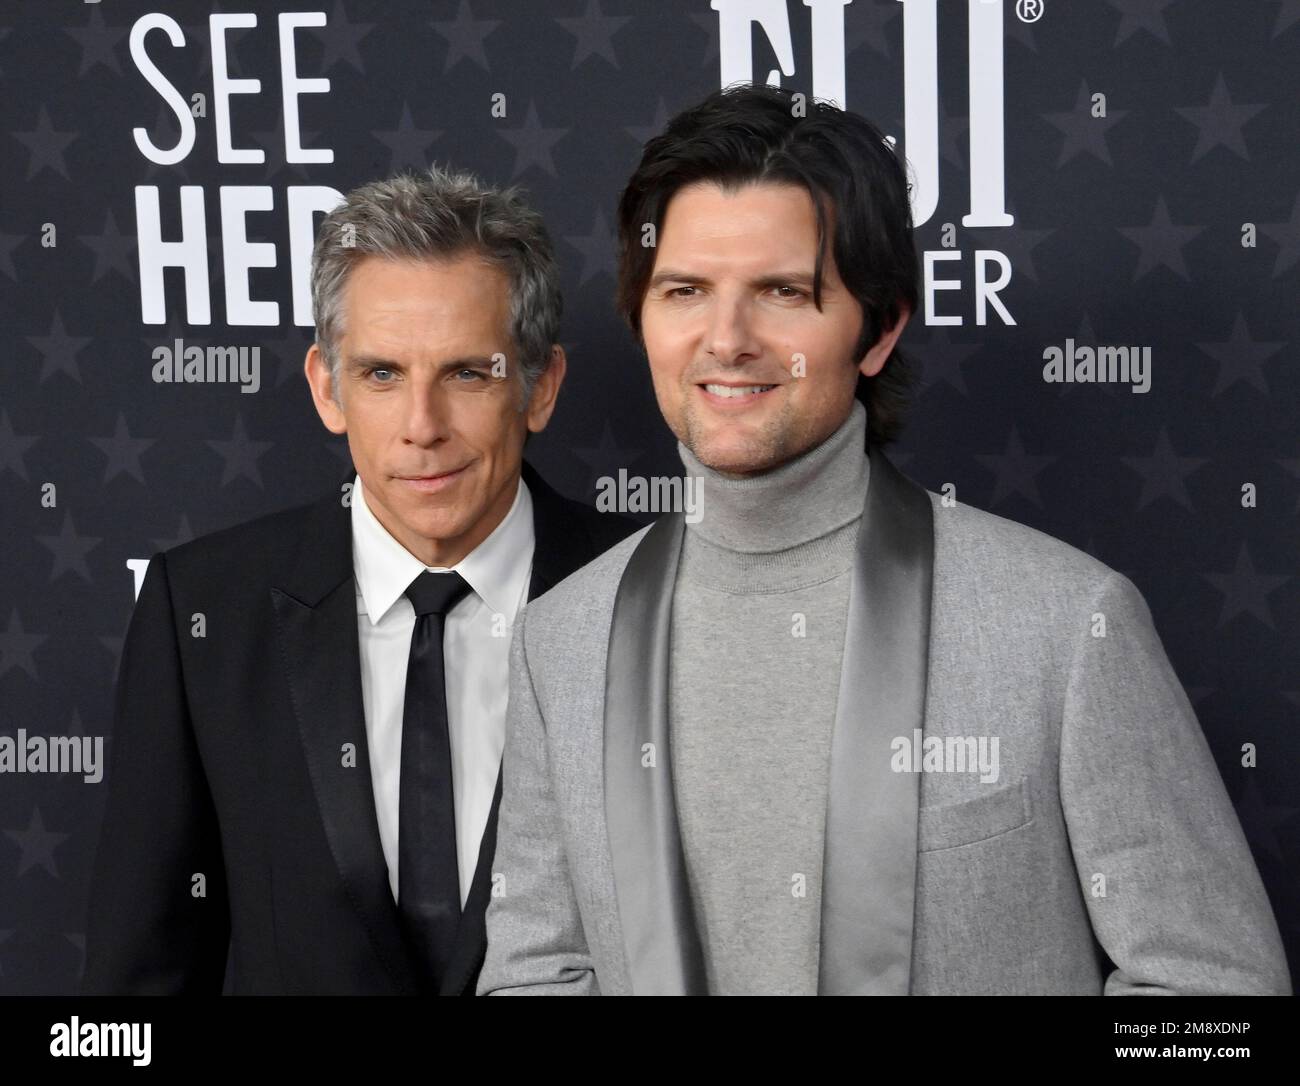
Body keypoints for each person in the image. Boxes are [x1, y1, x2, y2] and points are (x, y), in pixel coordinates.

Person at [477, 85, 1291, 995]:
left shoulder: (1069, 627)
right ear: (642, 317)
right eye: (686, 291)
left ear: (879, 328)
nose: (728, 338)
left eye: (783, 292)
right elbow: (534, 973)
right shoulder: (563, 641)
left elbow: (1221, 1006)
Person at [82, 167, 638, 995]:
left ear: (540, 386)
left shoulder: (647, 596)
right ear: (326, 387)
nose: (422, 428)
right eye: (382, 374)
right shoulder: (203, 613)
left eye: (466, 374)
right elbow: (139, 984)